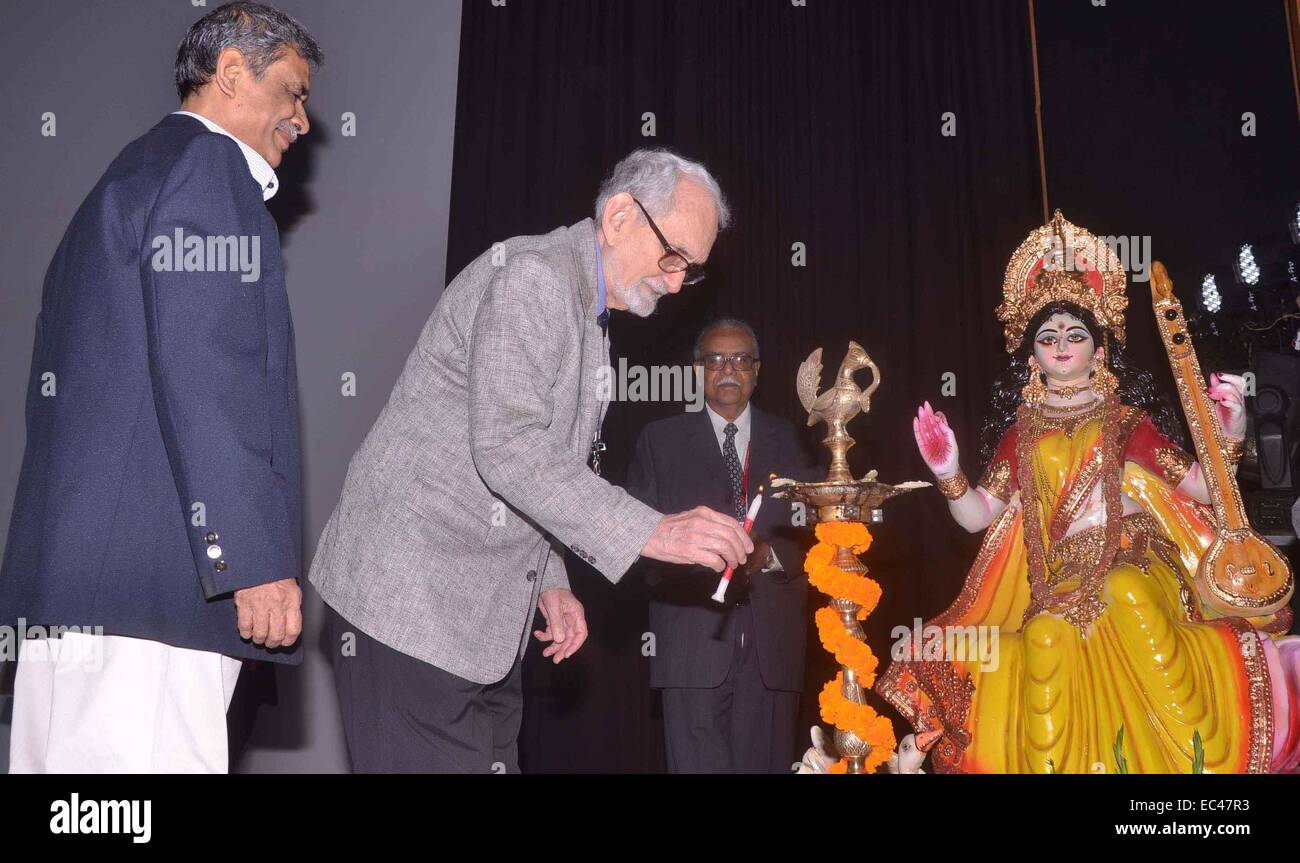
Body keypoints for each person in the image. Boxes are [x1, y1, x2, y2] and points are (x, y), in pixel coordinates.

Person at [309, 149, 755, 773]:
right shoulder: (534, 278)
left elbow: (543, 466)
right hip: (409, 605)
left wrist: (550, 581)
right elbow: (509, 447)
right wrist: (655, 529)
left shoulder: (592, 318)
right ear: (621, 215)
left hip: (481, 627)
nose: (677, 282)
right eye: (673, 255)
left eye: (692, 270)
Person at [0, 1, 321, 772]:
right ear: (233, 72)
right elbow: (211, 372)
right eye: (294, 91)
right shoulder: (209, 171)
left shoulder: (123, 181)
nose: (303, 121)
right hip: (151, 603)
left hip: (77, 596)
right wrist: (249, 556)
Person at [877, 211, 1300, 773]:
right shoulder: (1019, 436)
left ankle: (1194, 766)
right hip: (1059, 580)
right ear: (1031, 356)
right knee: (1046, 637)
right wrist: (948, 469)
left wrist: (1232, 432)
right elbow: (977, 517)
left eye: (1075, 334)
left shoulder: (1127, 422)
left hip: (1137, 559)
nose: (1060, 345)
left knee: (1126, 593)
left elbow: (1202, 487)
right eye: (1047, 337)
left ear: (1099, 350)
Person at [626, 319, 818, 773]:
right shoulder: (659, 442)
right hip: (691, 648)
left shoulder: (794, 441)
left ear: (757, 371)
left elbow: (818, 537)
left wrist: (766, 556)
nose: (728, 369)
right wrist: (698, 554)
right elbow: (634, 542)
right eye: (715, 360)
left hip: (773, 651)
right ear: (698, 370)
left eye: (740, 360)